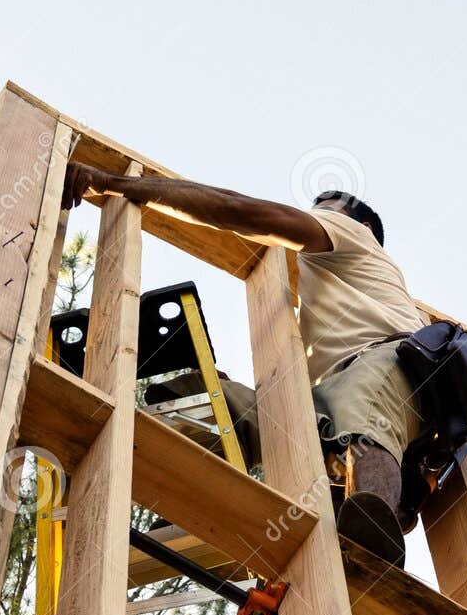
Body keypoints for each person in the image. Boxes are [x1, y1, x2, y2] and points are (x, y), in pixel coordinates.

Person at [62, 162, 426, 566]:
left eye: (325, 207)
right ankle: (140, 470)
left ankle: (369, 531)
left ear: (364, 227)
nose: (315, 213)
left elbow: (242, 210)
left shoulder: (355, 237)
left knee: (363, 413)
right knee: (237, 408)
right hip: (333, 401)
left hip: (390, 370)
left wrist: (116, 184)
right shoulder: (331, 310)